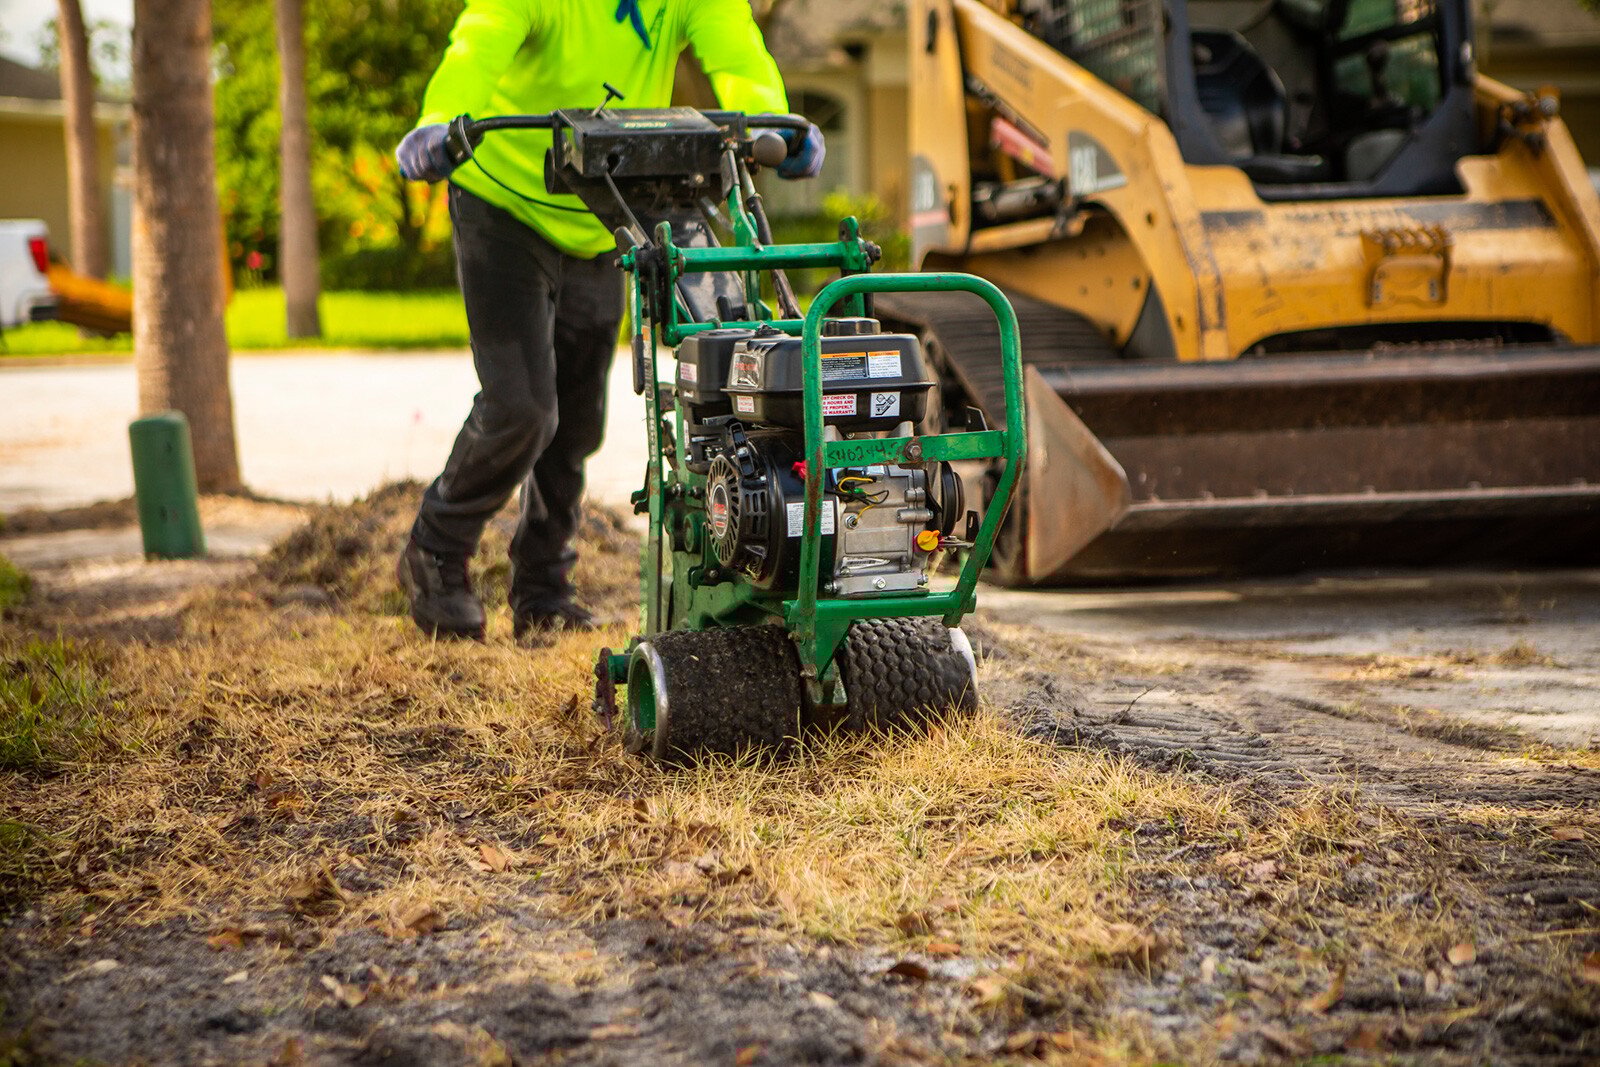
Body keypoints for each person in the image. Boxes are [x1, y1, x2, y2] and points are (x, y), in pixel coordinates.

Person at [394, 0, 823, 640]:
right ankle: (435, 551)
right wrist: (436, 123)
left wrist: (775, 121)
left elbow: (737, 53)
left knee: (576, 420)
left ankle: (543, 586)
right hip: (503, 201)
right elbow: (475, 46)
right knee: (522, 408)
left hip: (601, 203)